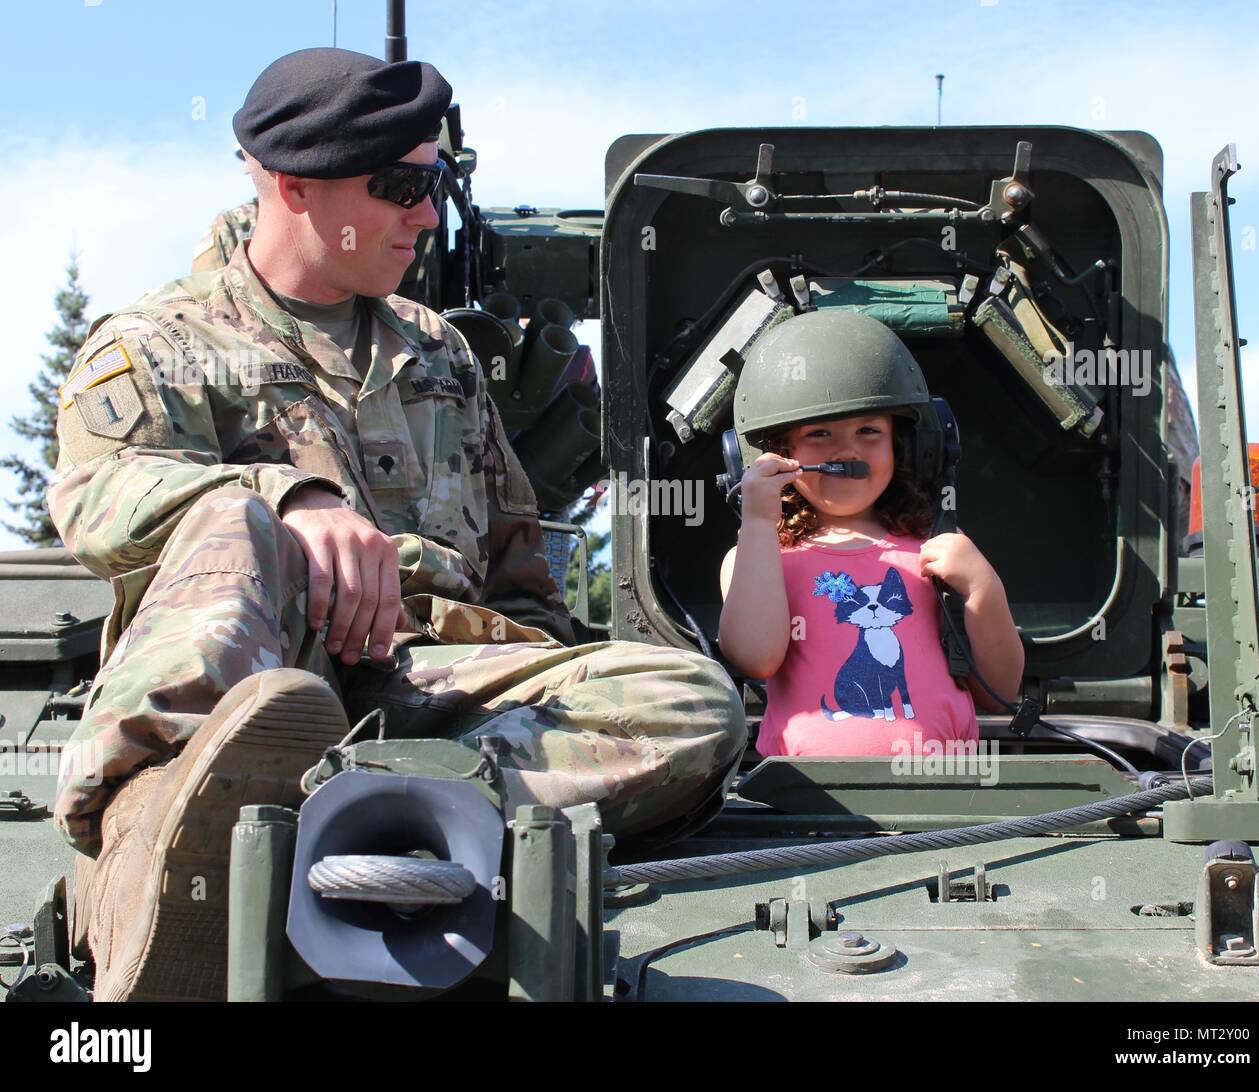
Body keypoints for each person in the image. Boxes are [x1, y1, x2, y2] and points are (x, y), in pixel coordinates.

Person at [48, 47, 745, 1002]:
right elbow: (92, 498)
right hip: (255, 673)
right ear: (291, 186)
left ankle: (366, 808)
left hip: (429, 685)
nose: (425, 213)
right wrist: (287, 497)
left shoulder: (438, 351)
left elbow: (513, 564)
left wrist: (551, 682)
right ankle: (146, 828)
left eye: (435, 184)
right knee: (233, 520)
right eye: (399, 186)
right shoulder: (161, 342)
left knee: (693, 702)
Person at [718, 308, 1022, 757]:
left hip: (946, 794)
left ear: (905, 447)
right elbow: (754, 657)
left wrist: (983, 589)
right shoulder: (760, 557)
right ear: (782, 452)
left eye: (868, 431)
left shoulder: (935, 553)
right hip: (809, 799)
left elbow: (999, 687)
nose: (847, 450)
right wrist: (759, 524)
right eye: (820, 433)